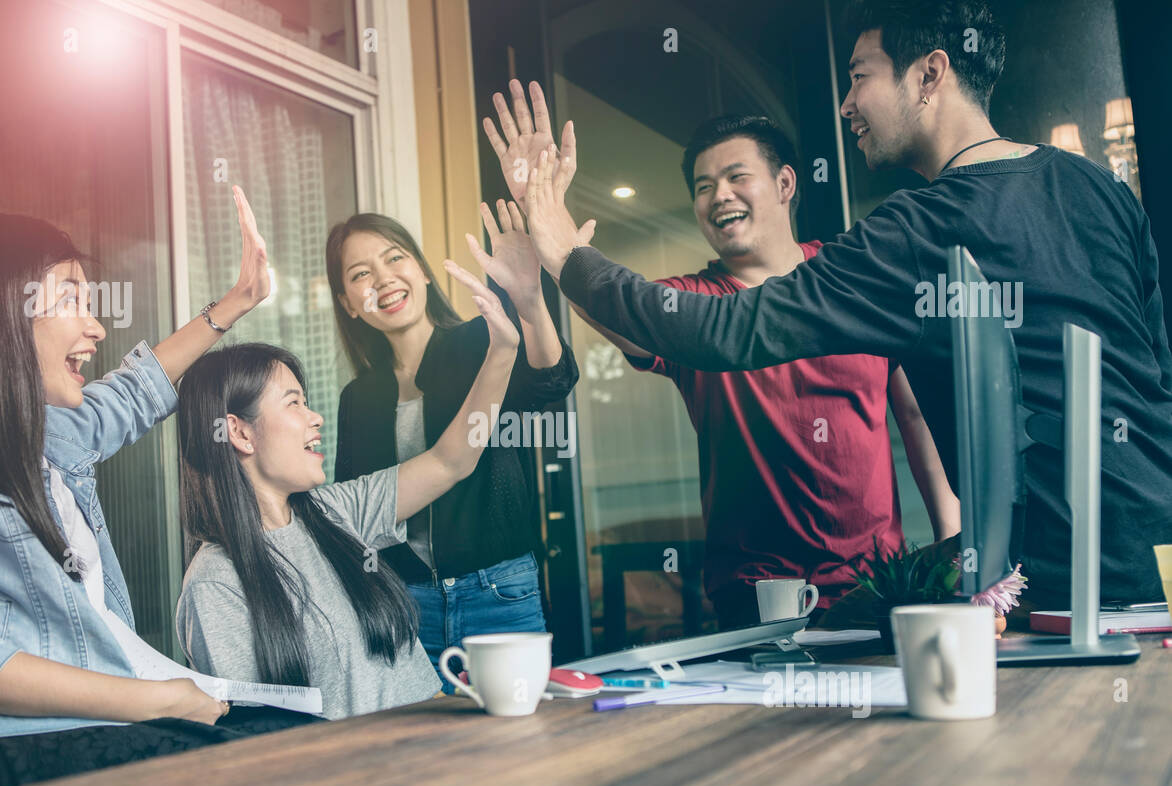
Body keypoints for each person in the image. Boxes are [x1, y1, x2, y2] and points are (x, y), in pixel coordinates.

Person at [520, 0, 1172, 610]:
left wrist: (565, 253)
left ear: (929, 75)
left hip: (1058, 583)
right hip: (1157, 546)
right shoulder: (1097, 187)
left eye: (860, 77)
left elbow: (724, 330)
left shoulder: (917, 229)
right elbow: (1158, 370)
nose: (846, 104)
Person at [0, 188, 320, 786]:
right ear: (0, 311)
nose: (96, 325)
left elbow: (138, 392)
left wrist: (236, 304)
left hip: (90, 728)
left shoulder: (42, 436)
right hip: (5, 753)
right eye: (71, 300)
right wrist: (156, 700)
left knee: (302, 740)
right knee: (278, 773)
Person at [485, 83, 958, 626]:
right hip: (755, 596)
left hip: (878, 583)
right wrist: (542, 211)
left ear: (784, 184)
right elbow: (619, 312)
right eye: (704, 186)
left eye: (736, 177)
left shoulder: (850, 279)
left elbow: (916, 413)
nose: (719, 196)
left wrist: (953, 551)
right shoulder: (690, 305)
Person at [174, 260, 520, 718]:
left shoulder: (335, 512)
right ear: (238, 433)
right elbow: (250, 735)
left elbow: (450, 460)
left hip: (434, 747)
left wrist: (503, 351)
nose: (315, 417)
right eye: (294, 403)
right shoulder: (216, 582)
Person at [328, 210, 578, 690]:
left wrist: (529, 300)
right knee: (426, 755)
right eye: (361, 274)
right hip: (405, 607)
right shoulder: (358, 399)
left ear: (421, 270)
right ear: (350, 304)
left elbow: (554, 378)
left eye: (394, 259)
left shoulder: (482, 341)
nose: (383, 279)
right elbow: (356, 518)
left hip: (500, 591)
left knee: (517, 745)